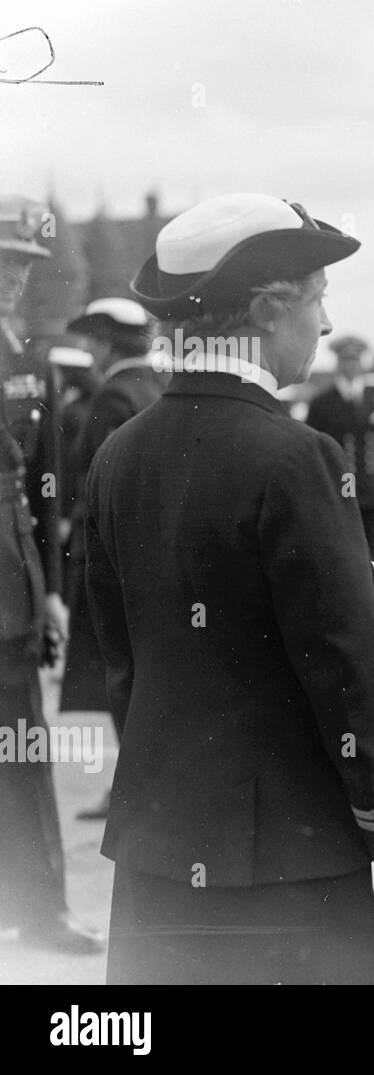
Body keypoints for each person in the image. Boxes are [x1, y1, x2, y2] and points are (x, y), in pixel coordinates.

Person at [85, 193, 374, 984]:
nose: (328, 325)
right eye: (319, 299)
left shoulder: (117, 455)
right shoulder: (298, 457)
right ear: (272, 310)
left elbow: (124, 664)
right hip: (289, 861)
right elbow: (349, 671)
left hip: (157, 848)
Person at [0, 195, 104, 954]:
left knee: (22, 754)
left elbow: (41, 489)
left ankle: (40, 907)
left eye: (24, 265)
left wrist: (54, 594)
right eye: (3, 261)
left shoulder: (27, 355)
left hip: (12, 595)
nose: (13, 277)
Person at [59, 298, 164, 824]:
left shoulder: (112, 396)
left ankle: (136, 792)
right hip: (161, 555)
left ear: (103, 344)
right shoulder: (160, 387)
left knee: (120, 675)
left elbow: (99, 487)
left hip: (115, 558)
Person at [306, 334, 374, 571]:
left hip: (371, 490)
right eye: (346, 360)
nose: (351, 365)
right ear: (338, 364)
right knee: (344, 556)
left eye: (355, 360)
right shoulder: (321, 404)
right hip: (337, 488)